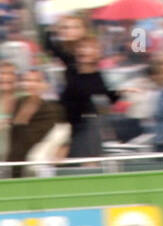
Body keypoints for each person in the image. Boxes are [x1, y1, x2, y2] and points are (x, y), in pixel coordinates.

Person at [41, 15, 119, 161]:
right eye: (67, 28)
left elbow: (102, 92)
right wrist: (51, 28)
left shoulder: (87, 60)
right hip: (70, 117)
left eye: (75, 27)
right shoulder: (69, 56)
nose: (70, 31)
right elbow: (50, 46)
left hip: (83, 120)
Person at [7, 68, 65, 178]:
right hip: (15, 165)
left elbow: (61, 138)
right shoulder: (18, 103)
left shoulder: (52, 109)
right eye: (27, 80)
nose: (31, 84)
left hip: (38, 168)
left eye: (36, 81)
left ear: (45, 85)